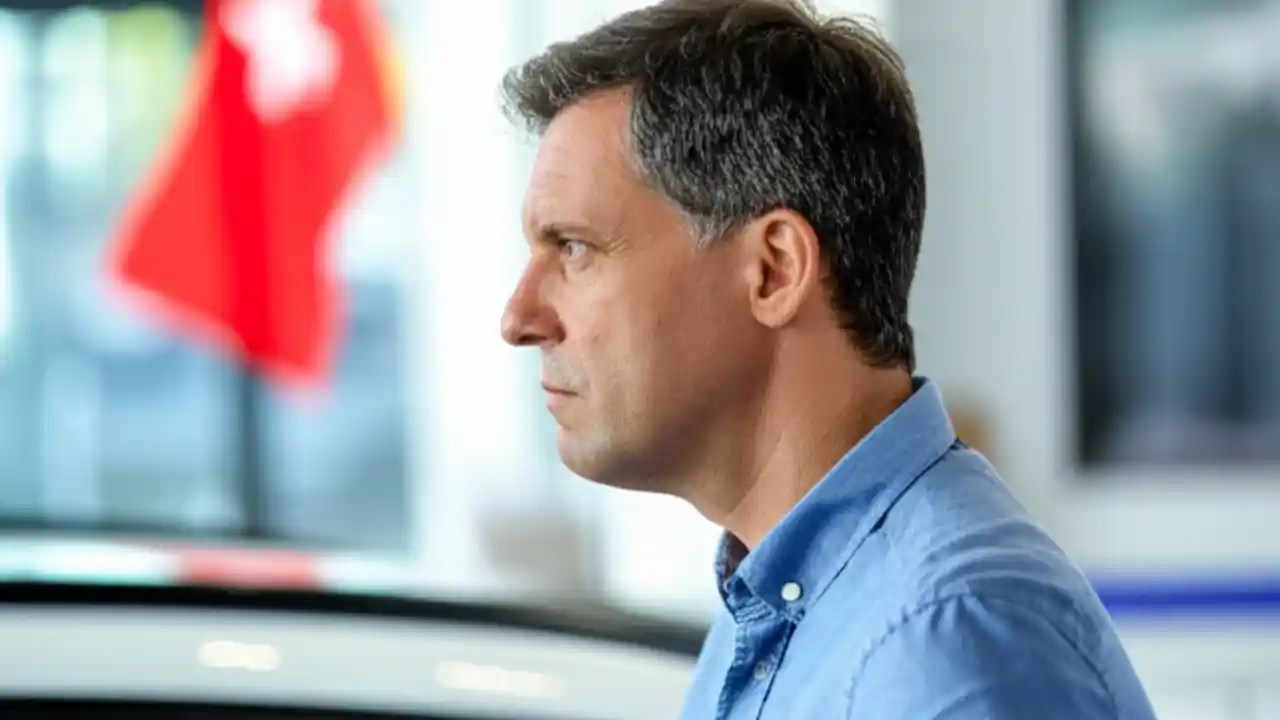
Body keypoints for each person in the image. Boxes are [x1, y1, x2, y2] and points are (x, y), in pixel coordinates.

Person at [498, 1, 1157, 717]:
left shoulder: (942, 644)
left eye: (574, 249)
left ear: (774, 270)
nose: (518, 318)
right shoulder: (792, 605)